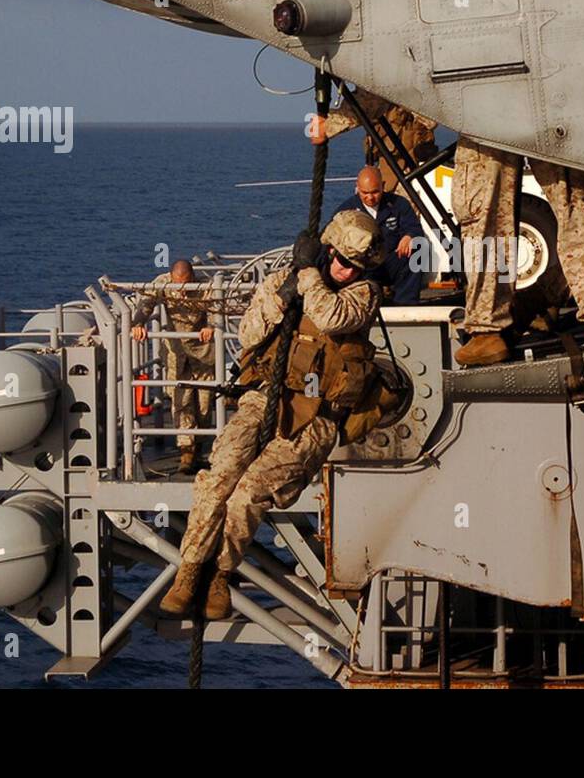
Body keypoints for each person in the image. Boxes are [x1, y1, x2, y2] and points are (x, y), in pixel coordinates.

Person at [159, 211, 389, 620]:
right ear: (328, 250)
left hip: (319, 415)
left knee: (249, 492)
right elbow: (248, 333)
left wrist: (308, 277)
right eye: (340, 259)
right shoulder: (291, 280)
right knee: (219, 478)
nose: (345, 270)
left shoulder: (363, 294)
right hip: (264, 397)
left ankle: (222, 575)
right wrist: (283, 293)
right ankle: (191, 570)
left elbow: (331, 317)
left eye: (354, 266)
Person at [451, 136, 584, 366]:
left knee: (488, 213)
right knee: (572, 202)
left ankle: (488, 332)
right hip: (551, 108)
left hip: (487, 114)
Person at [131, 259, 216, 474]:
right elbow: (146, 304)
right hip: (176, 353)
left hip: (202, 352)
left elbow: (217, 309)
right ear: (171, 277)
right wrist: (138, 323)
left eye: (186, 285)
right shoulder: (163, 283)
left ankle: (200, 446)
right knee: (181, 400)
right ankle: (186, 452)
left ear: (193, 278)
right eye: (178, 285)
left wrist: (210, 326)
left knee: (204, 403)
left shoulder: (205, 286)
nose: (182, 291)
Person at [326, 88, 438, 199]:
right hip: (391, 162)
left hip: (407, 163)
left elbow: (430, 122)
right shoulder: (384, 97)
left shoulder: (414, 97)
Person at [336, 165, 425, 305]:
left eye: (375, 192)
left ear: (383, 186)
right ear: (357, 188)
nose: (370, 197)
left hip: (392, 260)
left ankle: (406, 304)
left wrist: (409, 236)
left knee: (419, 249)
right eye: (365, 192)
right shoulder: (347, 211)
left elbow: (415, 228)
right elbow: (330, 236)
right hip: (363, 267)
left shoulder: (398, 204)